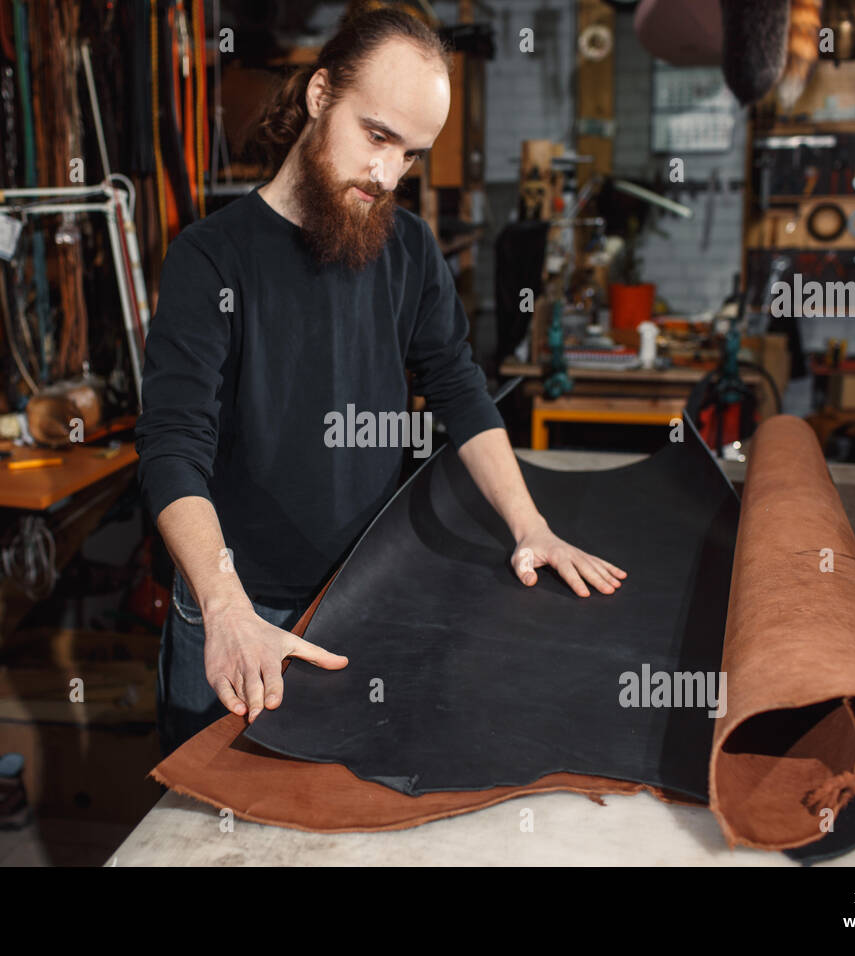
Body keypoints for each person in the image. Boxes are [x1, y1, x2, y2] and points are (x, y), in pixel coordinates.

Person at [136, 8, 627, 758]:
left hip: (364, 596)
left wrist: (532, 527)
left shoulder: (408, 249)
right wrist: (225, 604)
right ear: (320, 93)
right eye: (376, 135)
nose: (387, 174)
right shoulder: (210, 260)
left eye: (412, 154)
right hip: (239, 611)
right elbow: (172, 447)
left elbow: (461, 390)